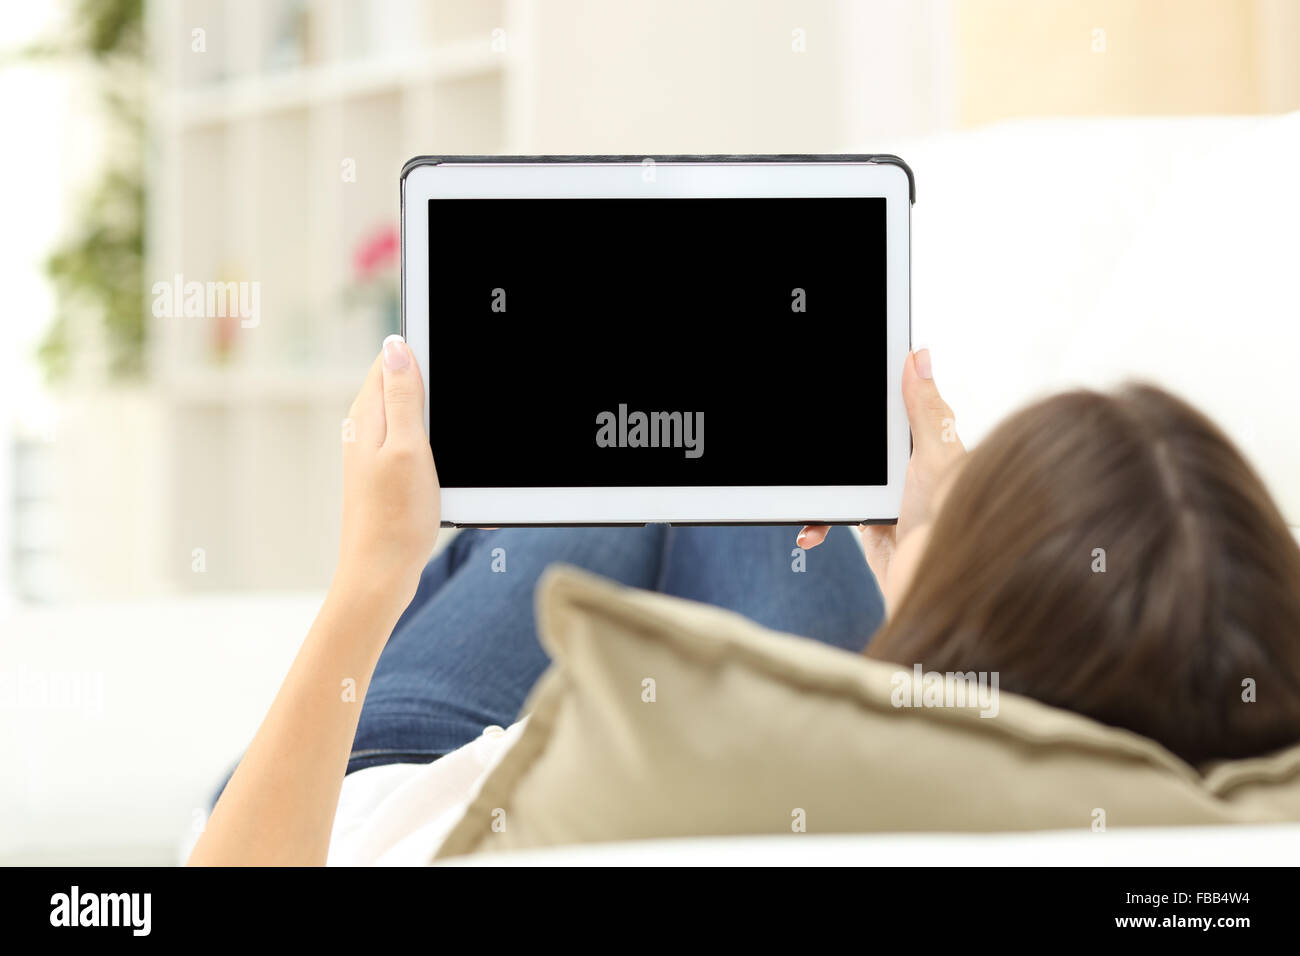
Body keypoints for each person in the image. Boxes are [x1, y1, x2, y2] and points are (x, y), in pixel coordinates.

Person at [187, 337, 1300, 865]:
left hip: (386, 780)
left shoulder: (521, 785)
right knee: (751, 485)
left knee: (623, 477)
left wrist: (368, 574)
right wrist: (926, 582)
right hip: (780, 747)